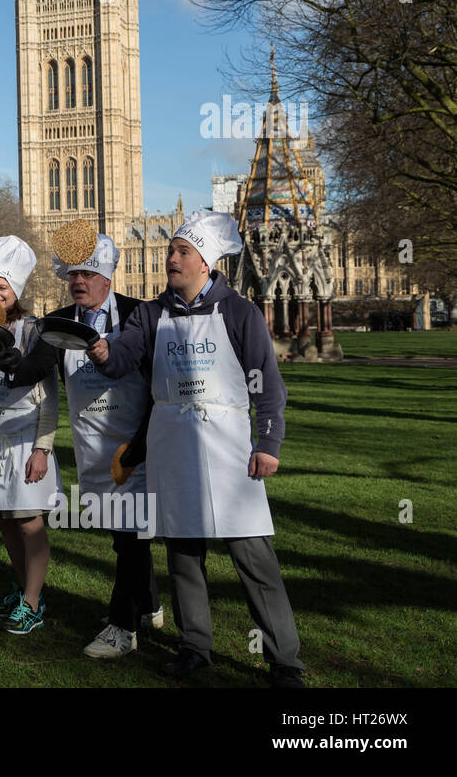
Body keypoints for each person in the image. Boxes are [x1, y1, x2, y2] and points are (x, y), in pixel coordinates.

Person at [87, 210, 304, 687]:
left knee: (253, 555)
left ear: (205, 263)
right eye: (170, 251)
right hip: (173, 447)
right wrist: (104, 353)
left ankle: (284, 660)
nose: (171, 258)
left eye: (182, 252)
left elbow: (267, 385)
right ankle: (194, 647)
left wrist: (268, 442)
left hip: (230, 450)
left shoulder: (240, 312)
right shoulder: (150, 313)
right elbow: (124, 357)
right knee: (183, 554)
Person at [47, 233, 162, 659]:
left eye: (88, 273)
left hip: (135, 444)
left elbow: (157, 384)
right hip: (91, 449)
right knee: (122, 536)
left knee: (132, 536)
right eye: (73, 273)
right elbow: (34, 372)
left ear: (107, 277)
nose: (79, 281)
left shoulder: (139, 315)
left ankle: (122, 627)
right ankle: (149, 602)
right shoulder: (57, 323)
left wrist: (144, 441)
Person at [0, 235, 62, 635]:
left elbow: (50, 399)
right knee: (4, 521)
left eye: (1, 288)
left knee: (29, 522)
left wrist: (42, 449)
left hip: (25, 439)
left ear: (15, 292)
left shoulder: (33, 332)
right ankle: (25, 587)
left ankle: (33, 603)